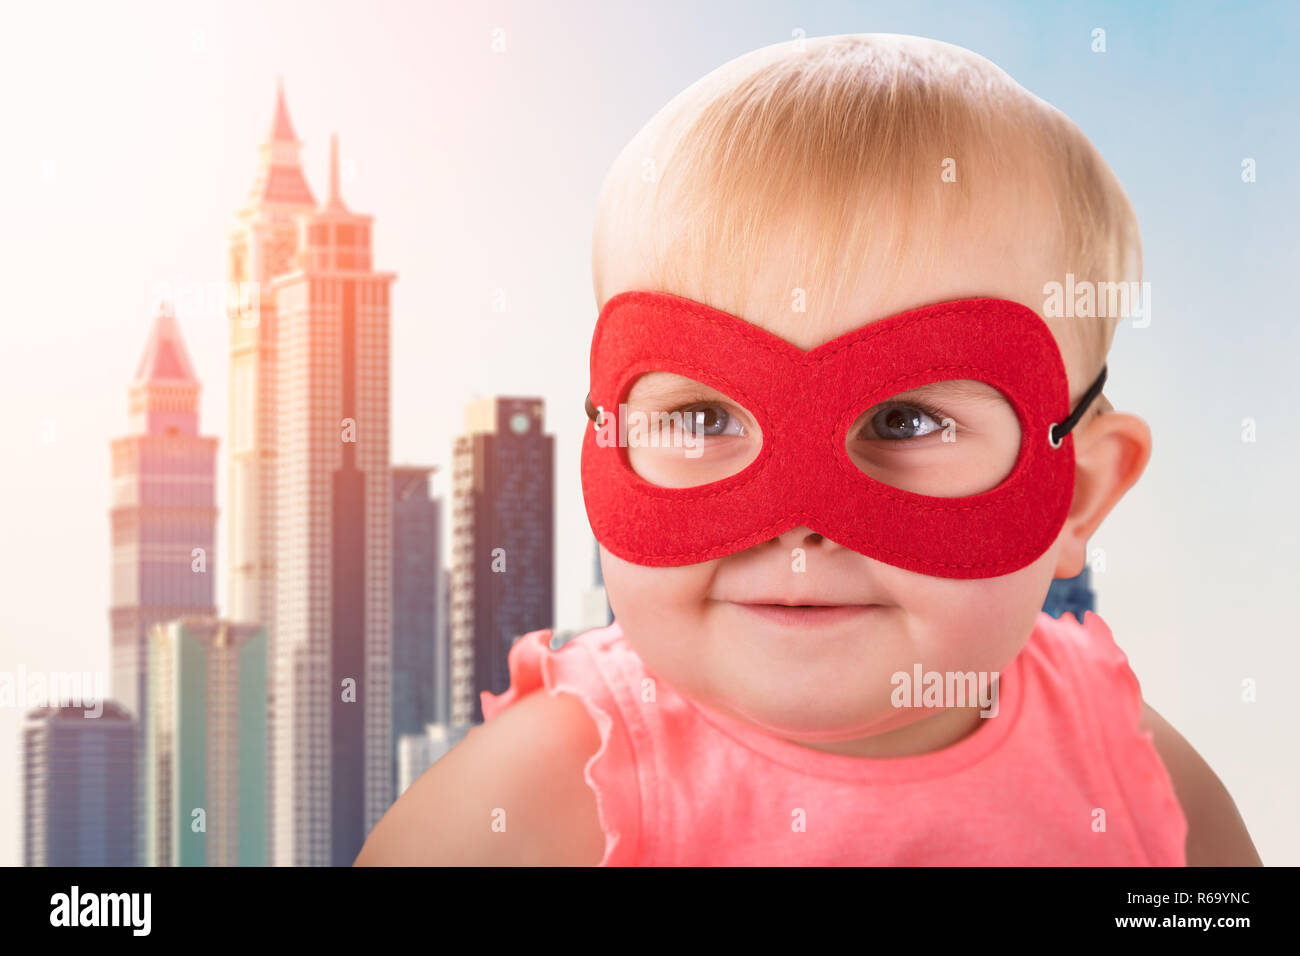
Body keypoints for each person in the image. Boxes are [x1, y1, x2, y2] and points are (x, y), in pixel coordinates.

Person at [356, 33, 1261, 866]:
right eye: (705, 419)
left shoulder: (1134, 775)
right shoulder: (542, 801)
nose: (798, 532)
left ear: (1078, 497)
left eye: (906, 421)